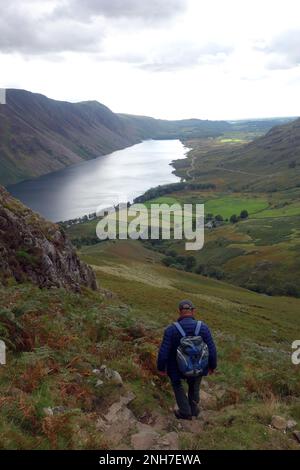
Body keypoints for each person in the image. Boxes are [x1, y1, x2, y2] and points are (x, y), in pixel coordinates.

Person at [157, 299, 217, 420]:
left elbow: (163, 352)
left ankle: (185, 412)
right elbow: (212, 350)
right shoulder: (203, 328)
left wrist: (161, 368)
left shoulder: (171, 329)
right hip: (199, 366)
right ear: (193, 311)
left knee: (177, 385)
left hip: (176, 367)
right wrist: (212, 366)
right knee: (194, 385)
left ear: (179, 311)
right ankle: (194, 410)